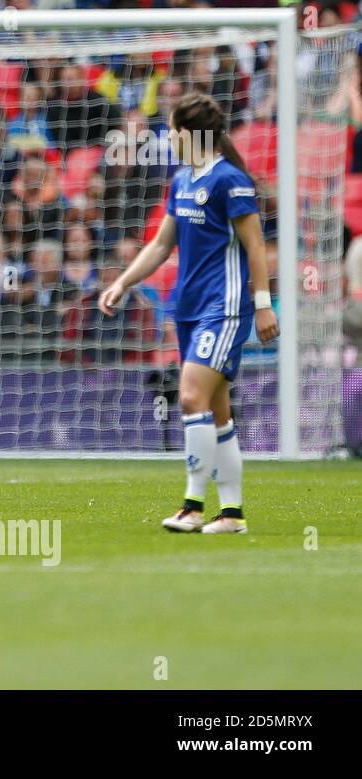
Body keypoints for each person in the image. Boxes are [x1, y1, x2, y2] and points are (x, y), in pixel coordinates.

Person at [99, 92, 279, 535]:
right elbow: (162, 244)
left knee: (190, 397)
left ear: (191, 133)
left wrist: (262, 305)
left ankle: (193, 506)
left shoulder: (229, 181)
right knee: (217, 412)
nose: (169, 138)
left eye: (173, 130)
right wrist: (123, 282)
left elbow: (256, 246)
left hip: (224, 309)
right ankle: (232, 515)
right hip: (190, 308)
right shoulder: (182, 181)